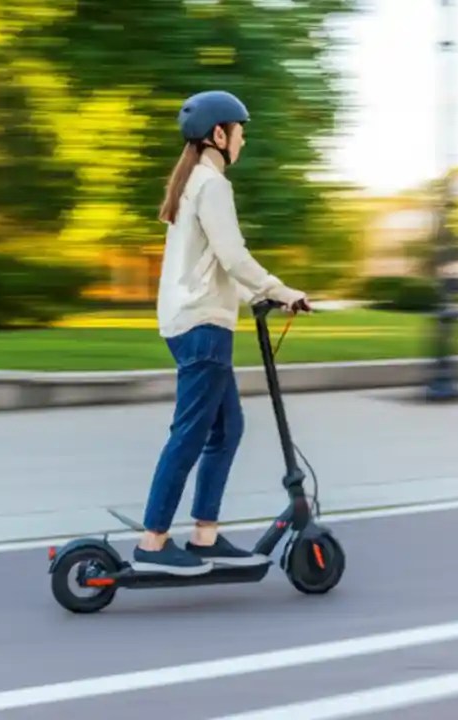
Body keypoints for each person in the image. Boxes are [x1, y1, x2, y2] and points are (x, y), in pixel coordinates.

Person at [132, 90, 310, 576]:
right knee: (189, 435)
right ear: (218, 134)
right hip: (202, 327)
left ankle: (205, 536)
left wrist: (258, 295)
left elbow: (213, 263)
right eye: (240, 131)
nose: (244, 140)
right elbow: (233, 257)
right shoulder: (211, 185)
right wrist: (280, 289)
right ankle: (152, 541)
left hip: (191, 321)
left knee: (226, 429)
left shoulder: (192, 184)